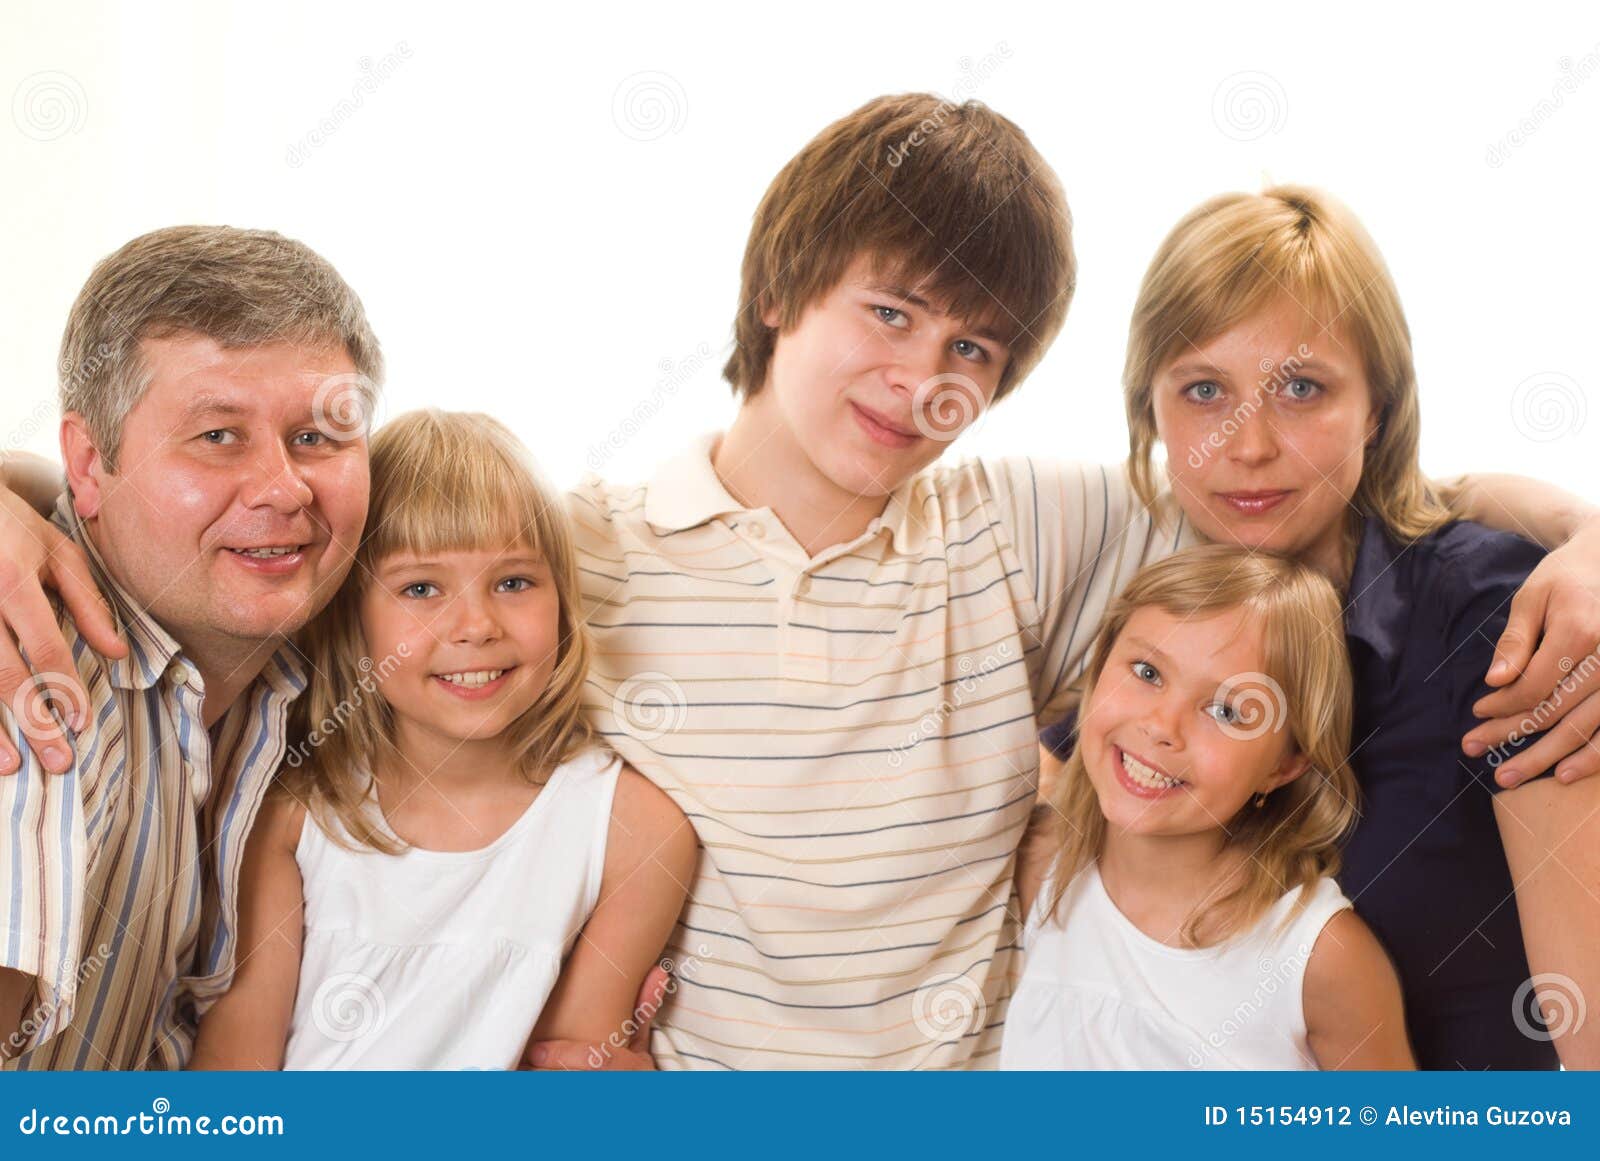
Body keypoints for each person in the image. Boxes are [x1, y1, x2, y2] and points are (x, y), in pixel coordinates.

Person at [6, 98, 1600, 1070]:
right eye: (889, 314)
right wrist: (17, 495)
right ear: (780, 293)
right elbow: (292, 545)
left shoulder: (1028, 528)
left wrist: (1574, 529)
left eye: (973, 350)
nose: (922, 379)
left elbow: (1286, 491)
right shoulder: (580, 554)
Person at [1041, 185, 1599, 1067]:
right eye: (1203, 389)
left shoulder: (1497, 622)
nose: (1248, 444)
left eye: (1301, 388)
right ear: (1150, 408)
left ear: (1377, 407)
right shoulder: (1166, 630)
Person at [190, 410, 694, 1069]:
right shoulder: (290, 817)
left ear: (563, 600)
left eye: (513, 582)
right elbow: (233, 1084)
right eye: (421, 587)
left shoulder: (635, 830)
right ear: (352, 620)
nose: (476, 625)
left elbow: (562, 1070)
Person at [0, 226, 377, 1067]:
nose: (284, 487)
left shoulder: (337, 652)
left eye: (317, 437)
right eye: (218, 436)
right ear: (89, 465)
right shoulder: (29, 685)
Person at [1004, 546, 1413, 1070]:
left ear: (1286, 764)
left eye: (1225, 711)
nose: (1161, 727)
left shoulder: (1320, 958)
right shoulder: (1042, 866)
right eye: (1148, 672)